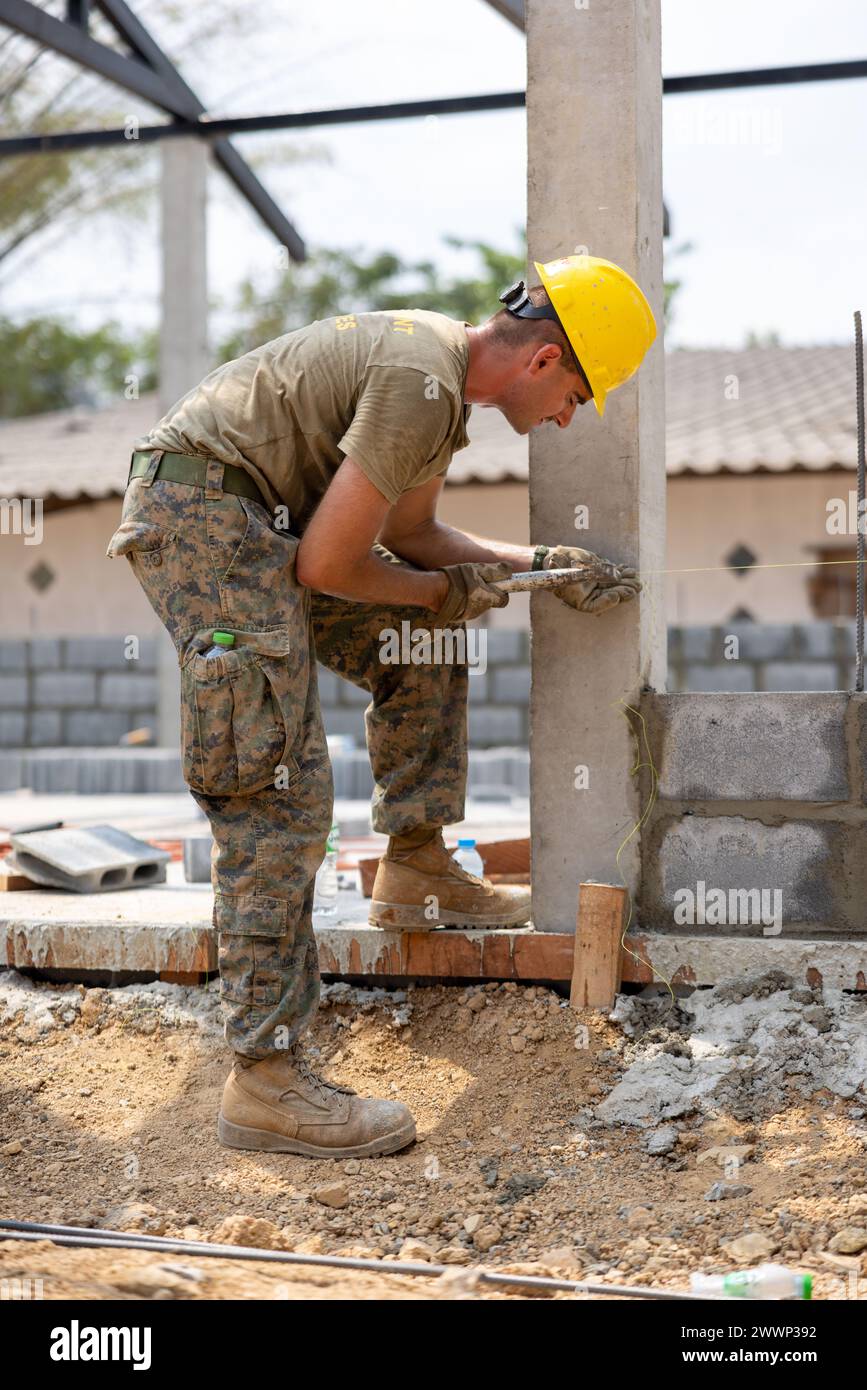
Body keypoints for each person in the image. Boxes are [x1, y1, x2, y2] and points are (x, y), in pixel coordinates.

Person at [108, 253, 657, 1159]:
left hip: (261, 525)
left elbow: (409, 540)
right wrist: (446, 591)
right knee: (276, 794)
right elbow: (331, 567)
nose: (563, 418)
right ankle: (266, 1081)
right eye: (574, 397)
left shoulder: (437, 386)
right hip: (206, 521)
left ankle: (416, 867)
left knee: (425, 644)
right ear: (544, 359)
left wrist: (540, 566)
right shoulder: (420, 382)